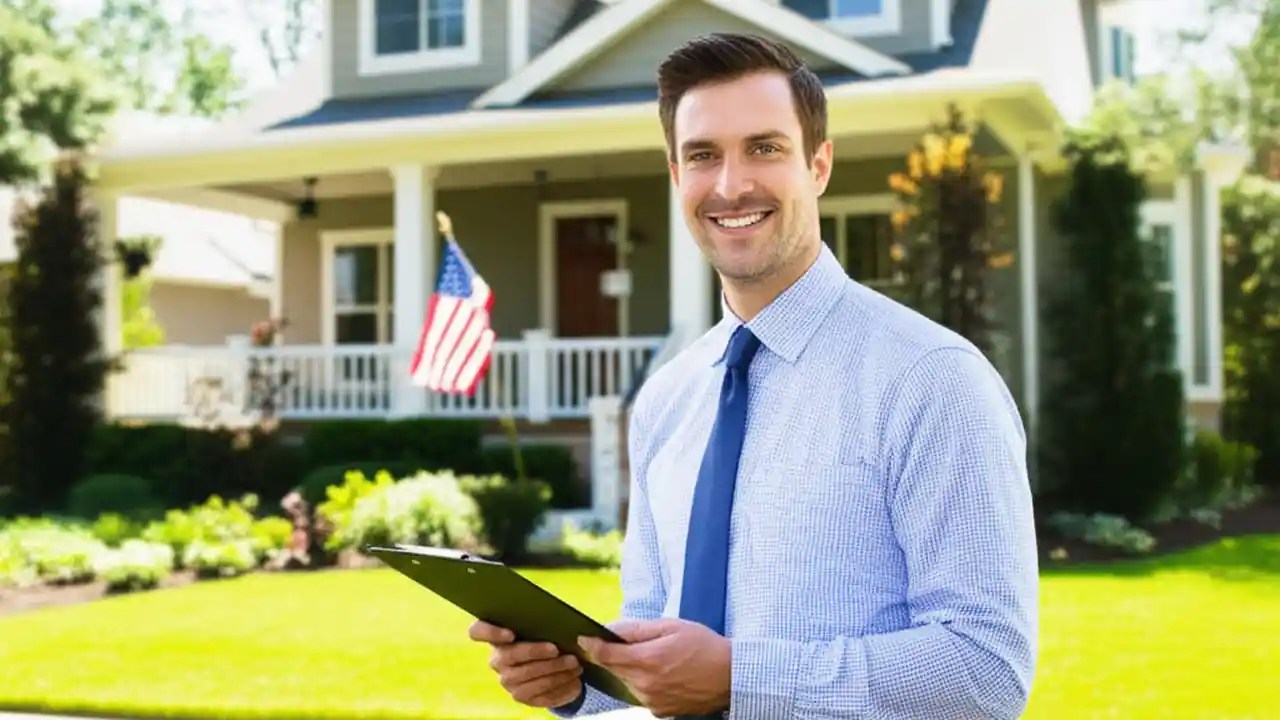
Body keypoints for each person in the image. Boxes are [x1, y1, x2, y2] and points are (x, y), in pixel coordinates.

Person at [469, 32, 1039, 719]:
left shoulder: (930, 381)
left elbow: (987, 672)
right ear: (677, 176)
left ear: (818, 165)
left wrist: (742, 676)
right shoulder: (667, 399)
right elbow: (655, 650)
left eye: (764, 149)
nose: (731, 185)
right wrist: (579, 686)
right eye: (703, 156)